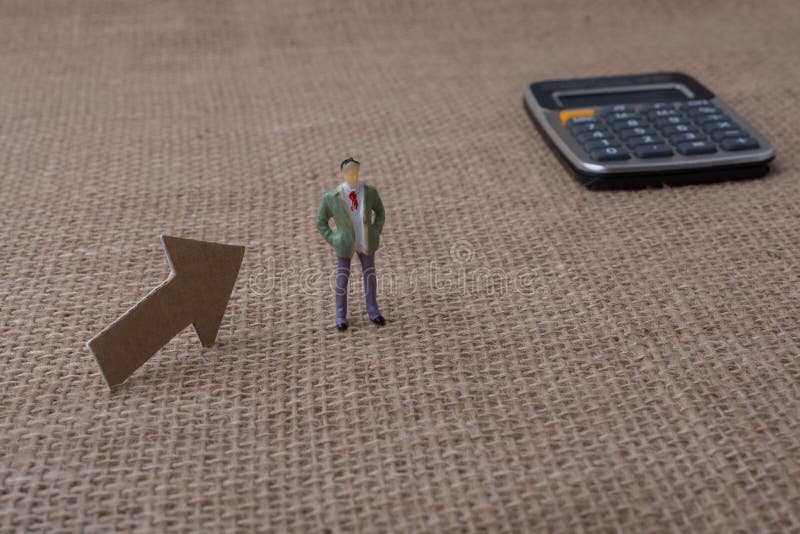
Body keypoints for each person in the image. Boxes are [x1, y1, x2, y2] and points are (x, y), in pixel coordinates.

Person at [316, 158, 386, 331]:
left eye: (355, 171)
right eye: (349, 172)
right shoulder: (332, 197)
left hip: (365, 240)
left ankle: (373, 310)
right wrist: (333, 238)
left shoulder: (369, 192)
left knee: (370, 276)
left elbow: (380, 213)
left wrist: (375, 231)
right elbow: (321, 222)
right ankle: (340, 314)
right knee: (342, 278)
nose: (353, 175)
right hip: (345, 243)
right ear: (343, 174)